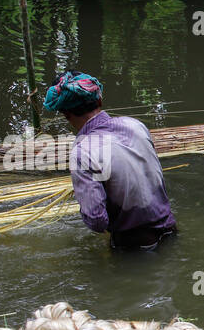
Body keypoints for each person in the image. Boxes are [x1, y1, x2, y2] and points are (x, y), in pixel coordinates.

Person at [43, 70, 178, 250]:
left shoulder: (82, 152)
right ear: (99, 100)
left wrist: (83, 198)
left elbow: (97, 220)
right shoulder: (136, 125)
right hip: (170, 228)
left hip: (136, 245)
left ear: (66, 114)